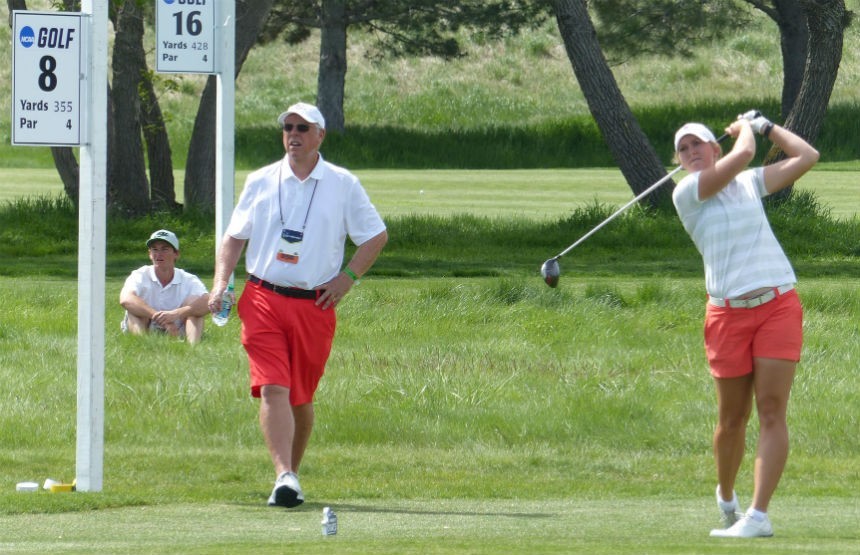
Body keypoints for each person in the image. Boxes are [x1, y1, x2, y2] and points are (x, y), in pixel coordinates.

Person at [208, 102, 388, 508]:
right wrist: (222, 282)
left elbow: (375, 236)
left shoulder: (343, 183)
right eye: (288, 127)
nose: (293, 134)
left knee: (299, 398)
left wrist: (348, 278)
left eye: (302, 128)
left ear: (320, 135)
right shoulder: (260, 180)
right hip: (263, 297)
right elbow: (235, 236)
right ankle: (283, 475)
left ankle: (290, 477)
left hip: (314, 306)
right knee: (273, 386)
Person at [672, 112, 819, 538]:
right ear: (679, 161)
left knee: (772, 410)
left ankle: (757, 515)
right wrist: (746, 133)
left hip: (776, 304)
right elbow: (746, 154)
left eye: (699, 143)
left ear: (714, 147)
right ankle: (726, 493)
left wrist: (767, 125)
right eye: (684, 148)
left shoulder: (749, 183)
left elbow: (807, 155)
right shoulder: (687, 193)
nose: (692, 152)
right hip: (726, 314)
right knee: (731, 419)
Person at [120, 229, 210, 344]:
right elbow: (125, 299)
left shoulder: (188, 279)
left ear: (176, 254)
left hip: (178, 329)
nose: (158, 254)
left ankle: (193, 348)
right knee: (136, 309)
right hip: (146, 324)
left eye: (165, 249)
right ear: (149, 254)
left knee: (195, 306)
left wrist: (177, 314)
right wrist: (159, 317)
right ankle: (144, 346)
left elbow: (208, 301)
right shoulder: (140, 274)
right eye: (154, 249)